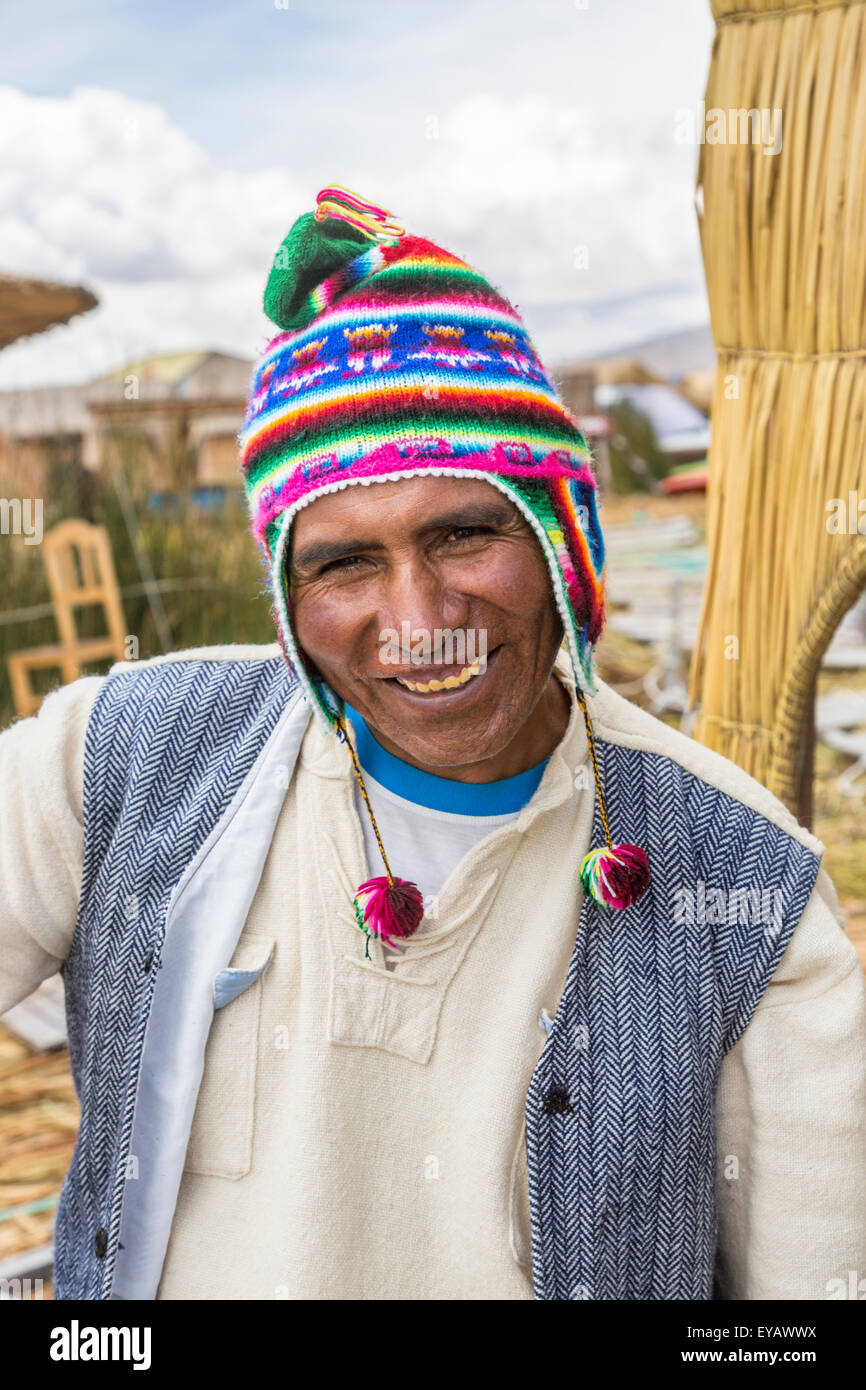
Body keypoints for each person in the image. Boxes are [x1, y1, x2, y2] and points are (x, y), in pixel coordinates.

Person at [1, 184, 864, 1302]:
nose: (414, 617)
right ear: (285, 592)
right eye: (343, 562)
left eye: (464, 532)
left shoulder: (745, 886)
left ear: (560, 540)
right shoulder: (111, 760)